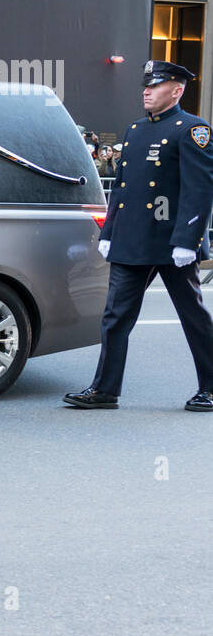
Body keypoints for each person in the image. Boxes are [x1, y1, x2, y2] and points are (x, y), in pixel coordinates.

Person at [64, 60, 213, 412]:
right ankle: (104, 389)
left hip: (172, 242)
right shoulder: (136, 129)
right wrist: (111, 231)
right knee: (115, 316)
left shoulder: (192, 130)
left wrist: (187, 240)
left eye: (155, 85)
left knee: (192, 316)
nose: (146, 91)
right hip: (133, 239)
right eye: (145, 85)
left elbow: (199, 190)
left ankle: (210, 387)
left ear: (176, 91)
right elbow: (125, 190)